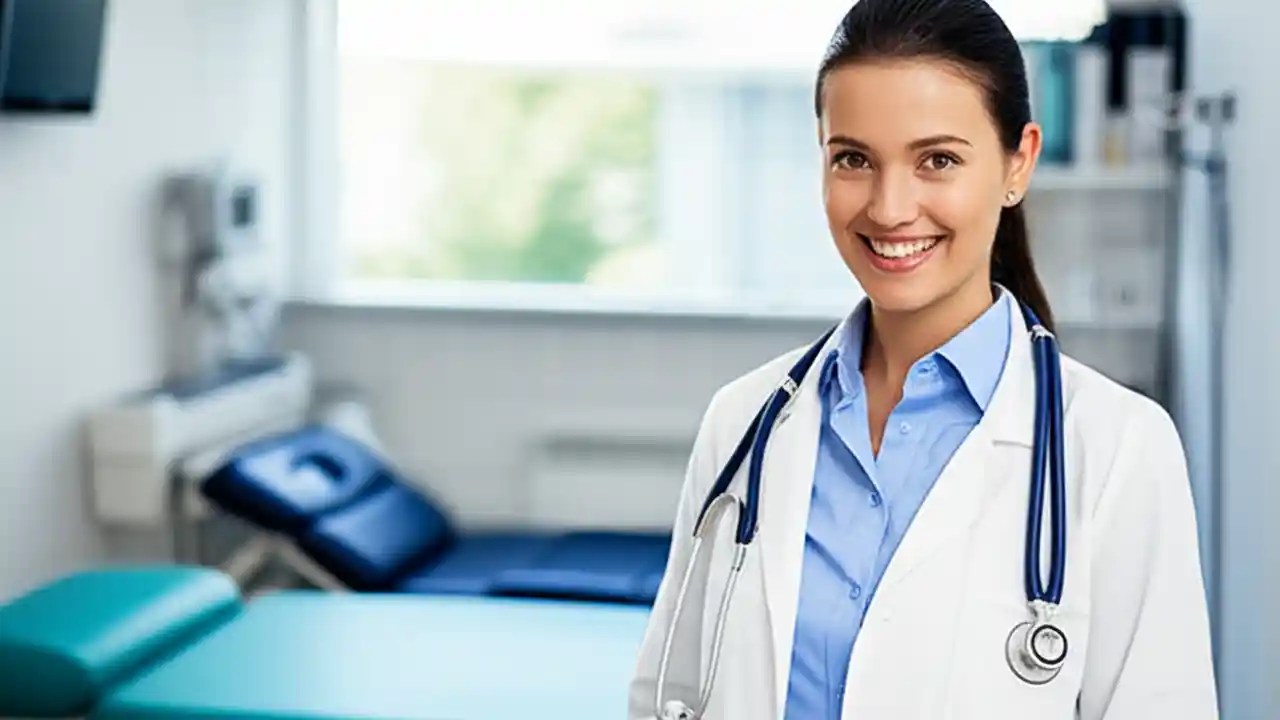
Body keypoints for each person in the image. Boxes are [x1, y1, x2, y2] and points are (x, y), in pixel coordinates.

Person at [627, 0, 1218, 718]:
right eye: (853, 158)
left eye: (937, 160)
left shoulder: (1120, 447)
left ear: (1017, 163)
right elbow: (667, 696)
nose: (889, 207)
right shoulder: (743, 423)